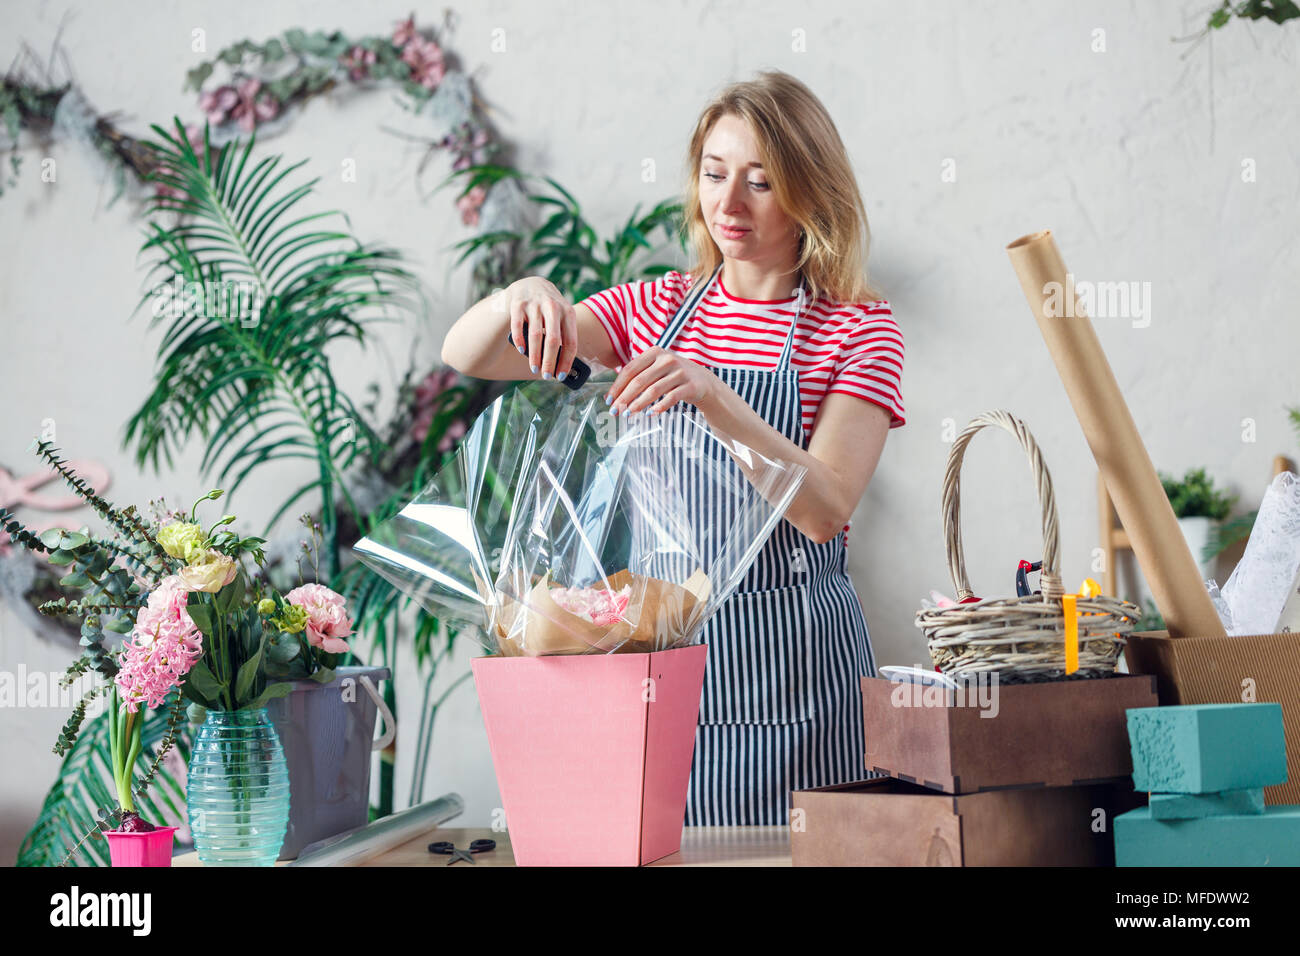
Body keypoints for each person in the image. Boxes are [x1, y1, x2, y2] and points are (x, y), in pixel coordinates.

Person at [441, 69, 905, 825]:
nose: (728, 204)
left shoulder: (856, 329)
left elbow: (824, 508)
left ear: (810, 191)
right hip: (661, 662)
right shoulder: (654, 307)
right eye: (715, 174)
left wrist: (714, 397)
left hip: (797, 673)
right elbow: (469, 355)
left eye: (760, 182)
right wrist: (518, 295)